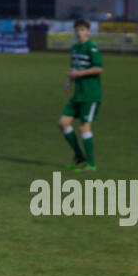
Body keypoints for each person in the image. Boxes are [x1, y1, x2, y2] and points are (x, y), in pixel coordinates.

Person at [58, 17, 103, 172]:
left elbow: (98, 68)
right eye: (77, 30)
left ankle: (91, 164)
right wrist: (69, 82)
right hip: (78, 94)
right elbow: (74, 68)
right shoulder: (75, 48)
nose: (79, 32)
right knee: (63, 123)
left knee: (84, 127)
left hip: (91, 95)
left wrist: (80, 74)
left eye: (82, 30)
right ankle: (79, 156)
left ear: (88, 32)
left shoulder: (92, 47)